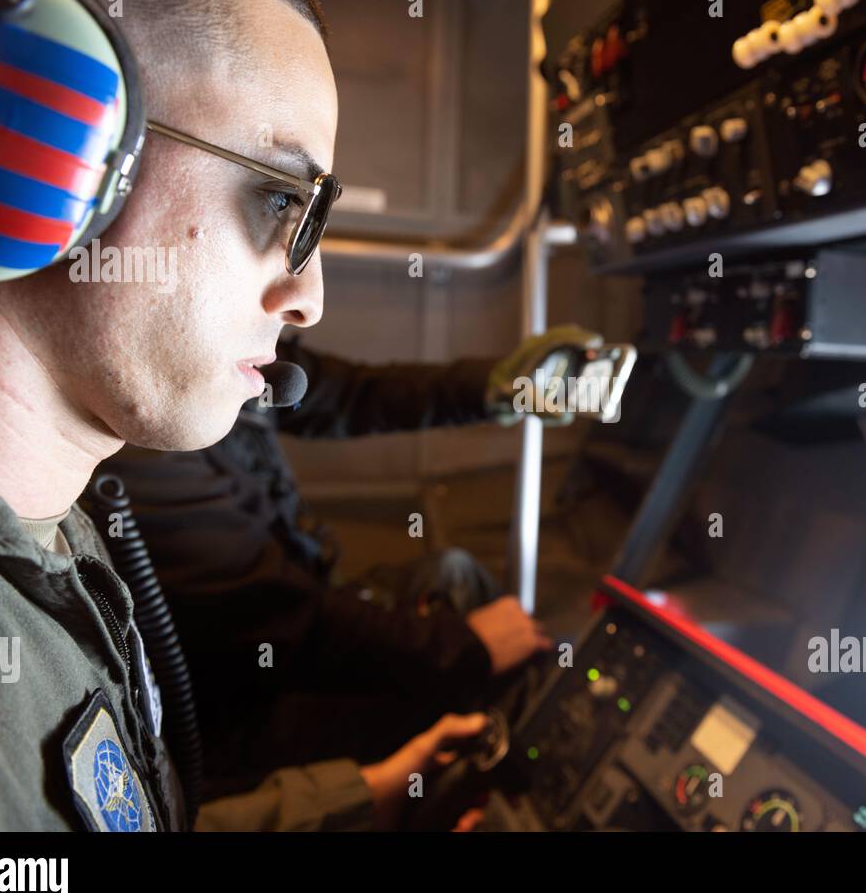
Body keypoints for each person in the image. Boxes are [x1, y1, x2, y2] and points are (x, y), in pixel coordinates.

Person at [0, 0, 479, 831]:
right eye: (280, 197)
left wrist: (359, 797)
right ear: (33, 141)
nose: (309, 296)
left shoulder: (48, 538)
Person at [98, 326, 599, 797]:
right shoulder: (141, 452)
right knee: (465, 701)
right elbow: (294, 621)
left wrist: (491, 388)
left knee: (454, 573)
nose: (305, 302)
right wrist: (466, 648)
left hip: (298, 618)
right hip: (247, 707)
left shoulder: (230, 345)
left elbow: (354, 394)